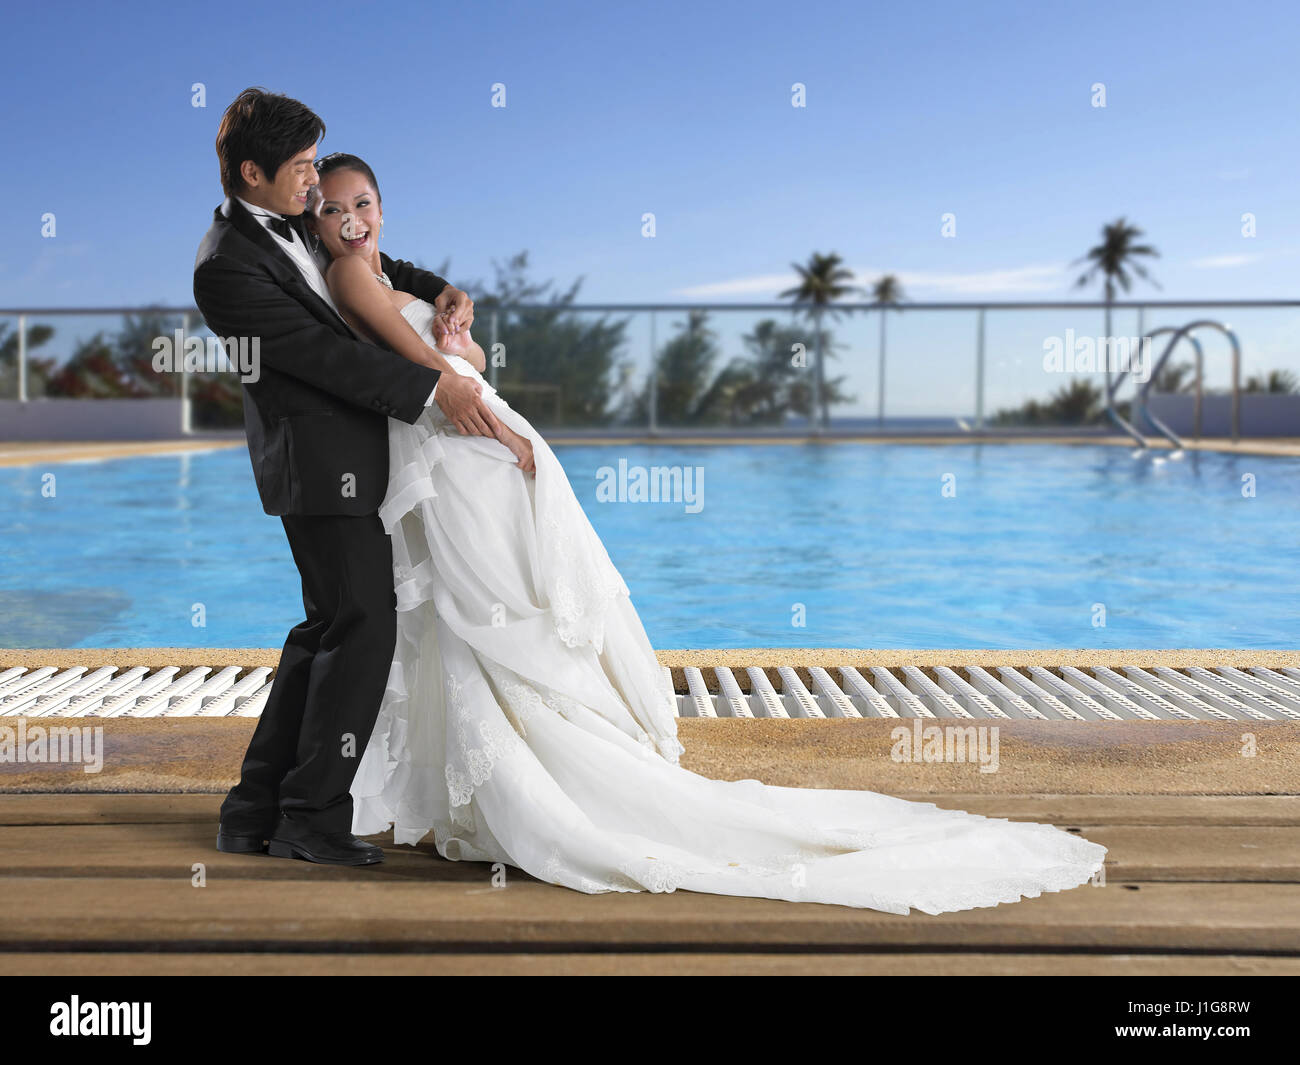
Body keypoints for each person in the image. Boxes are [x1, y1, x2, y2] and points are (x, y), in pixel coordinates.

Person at [305, 153, 1107, 914]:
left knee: (519, 600)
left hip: (475, 430)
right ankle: (525, 790)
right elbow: (432, 375)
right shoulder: (350, 273)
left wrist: (455, 322)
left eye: (363, 205)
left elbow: (461, 355)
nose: (349, 222)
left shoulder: (384, 268)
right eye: (333, 209)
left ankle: (561, 777)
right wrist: (490, 417)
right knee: (492, 605)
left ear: (384, 206)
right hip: (458, 440)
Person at [193, 88, 499, 866]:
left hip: (354, 461)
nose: (313, 184)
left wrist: (437, 291)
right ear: (250, 172)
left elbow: (373, 262)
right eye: (298, 169)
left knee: (326, 628)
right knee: (365, 625)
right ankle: (312, 816)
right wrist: (436, 385)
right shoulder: (225, 267)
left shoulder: (294, 214)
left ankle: (253, 807)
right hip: (320, 467)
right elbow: (321, 357)